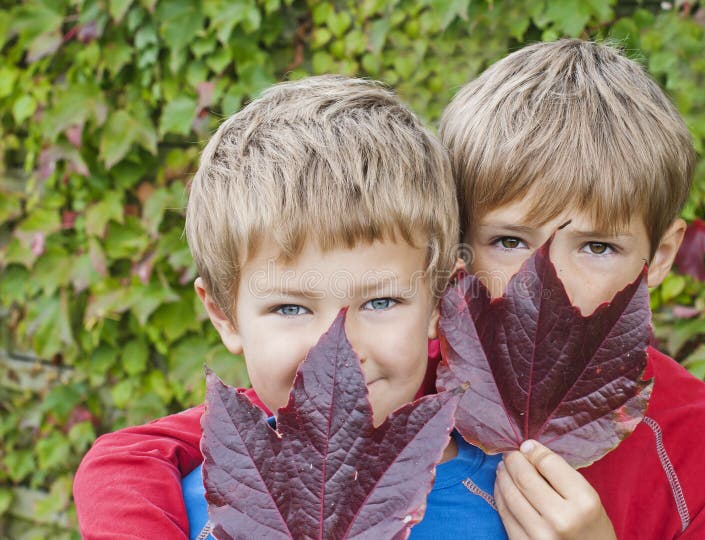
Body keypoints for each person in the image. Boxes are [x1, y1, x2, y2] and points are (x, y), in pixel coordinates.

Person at [73, 76, 507, 538]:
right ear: (223, 314)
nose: (339, 351)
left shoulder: (514, 502)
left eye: (381, 301)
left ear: (441, 300)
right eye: (291, 309)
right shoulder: (187, 512)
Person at [439, 39, 705, 539]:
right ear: (456, 243)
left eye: (597, 247)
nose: (548, 287)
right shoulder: (394, 388)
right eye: (508, 241)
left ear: (661, 257)